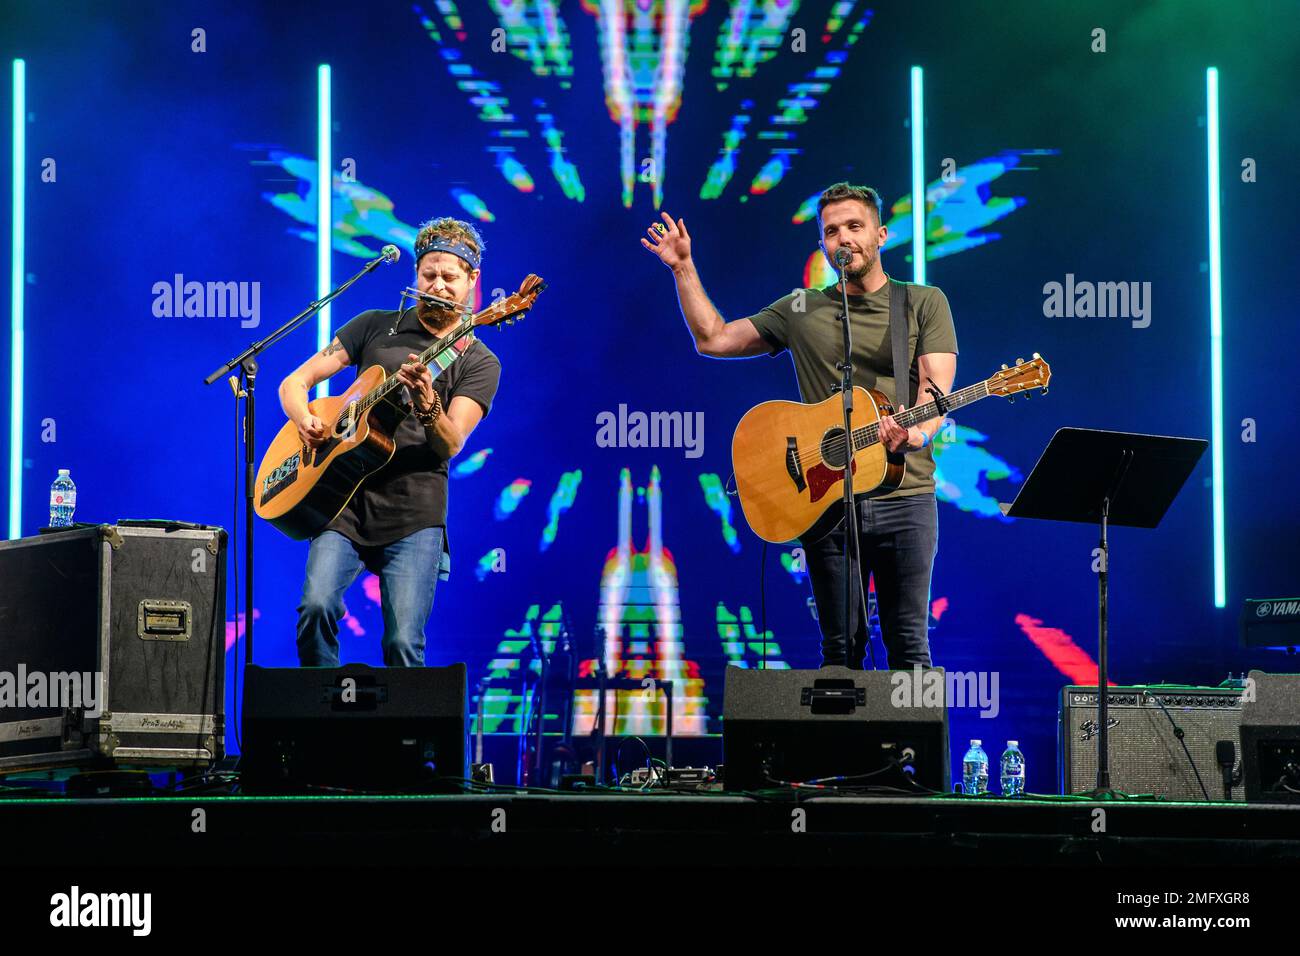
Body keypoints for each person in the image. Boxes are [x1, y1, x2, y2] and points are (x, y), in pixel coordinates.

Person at [641, 182, 957, 669]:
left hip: (905, 497)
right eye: (831, 231)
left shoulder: (922, 302)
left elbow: (934, 394)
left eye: (855, 226)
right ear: (823, 245)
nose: (843, 238)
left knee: (909, 648)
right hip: (824, 498)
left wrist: (915, 435)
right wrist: (683, 267)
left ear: (880, 235)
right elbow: (714, 339)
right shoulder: (802, 308)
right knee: (839, 652)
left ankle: (912, 727)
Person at [277, 217, 501, 667]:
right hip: (344, 502)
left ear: (472, 280)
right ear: (416, 273)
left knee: (402, 643)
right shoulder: (374, 326)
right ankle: (321, 710)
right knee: (315, 608)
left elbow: (451, 443)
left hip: (414, 512)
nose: (438, 286)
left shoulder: (479, 360)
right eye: (429, 275)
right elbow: (294, 383)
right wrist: (305, 420)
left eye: (449, 277)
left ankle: (404, 718)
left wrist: (428, 405)